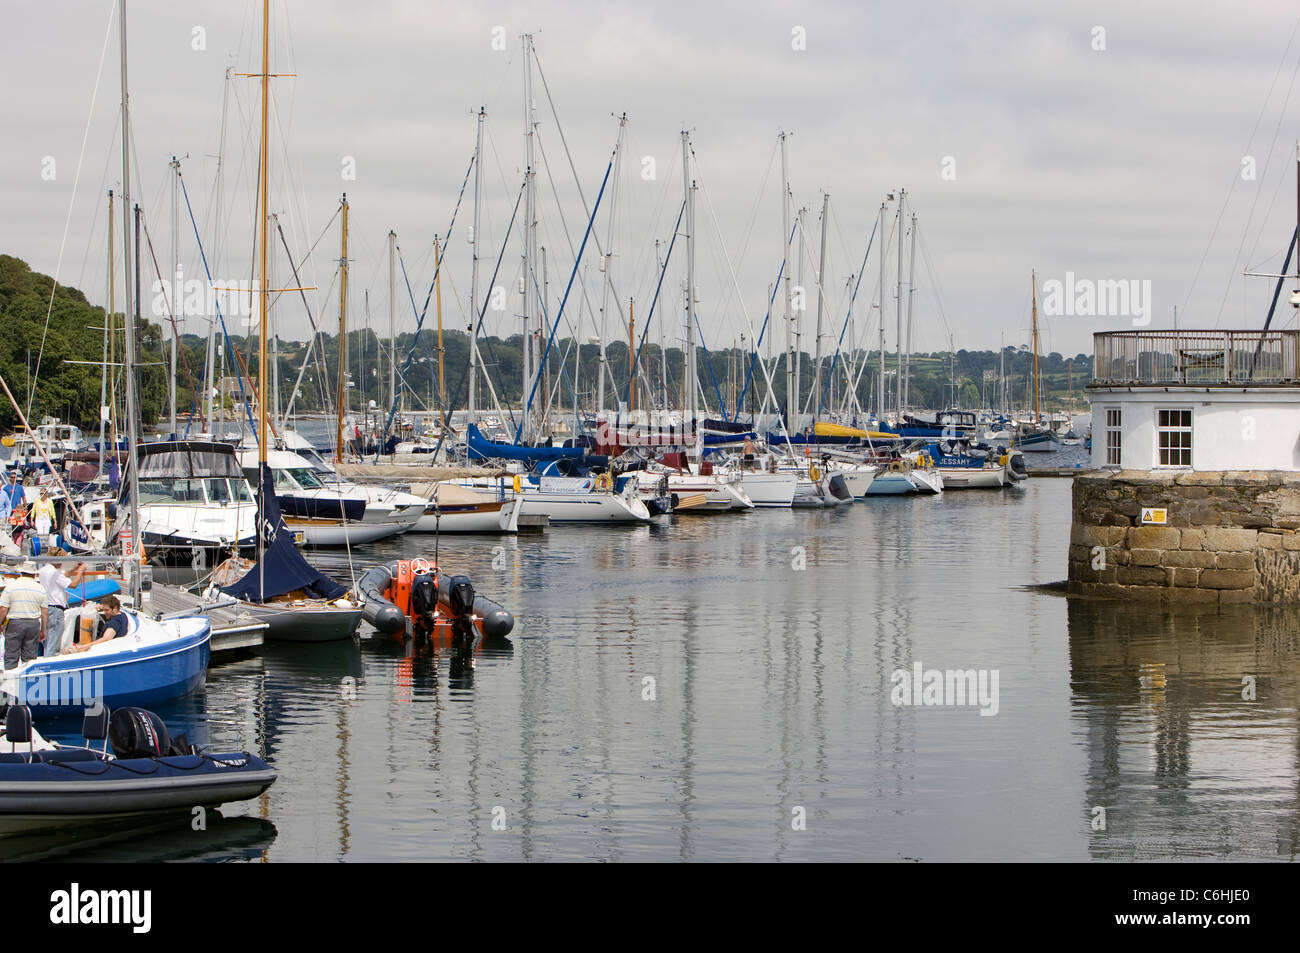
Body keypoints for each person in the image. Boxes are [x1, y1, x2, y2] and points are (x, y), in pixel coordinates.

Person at [0, 560, 47, 670]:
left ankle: (11, 684)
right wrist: (43, 630)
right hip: (33, 624)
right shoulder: (40, 588)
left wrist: (0, 624)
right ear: (34, 574)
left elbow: (3, 609)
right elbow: (44, 612)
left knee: (11, 656)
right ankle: (29, 682)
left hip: (15, 624)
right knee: (30, 658)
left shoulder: (11, 587)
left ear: (21, 572)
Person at [38, 559, 87, 656]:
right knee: (54, 643)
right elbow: (73, 585)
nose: (61, 564)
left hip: (47, 608)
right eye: (60, 561)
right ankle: (50, 665)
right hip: (56, 610)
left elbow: (63, 576)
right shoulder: (55, 573)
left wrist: (73, 569)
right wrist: (80, 572)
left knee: (48, 642)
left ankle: (47, 661)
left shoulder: (44, 570)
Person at [63, 593, 127, 654]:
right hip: (112, 646)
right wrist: (97, 607)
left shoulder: (114, 622)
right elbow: (105, 607)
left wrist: (83, 647)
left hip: (101, 650)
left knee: (66, 651)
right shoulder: (122, 615)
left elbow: (106, 638)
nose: (104, 613)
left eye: (107, 610)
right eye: (104, 610)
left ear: (115, 609)